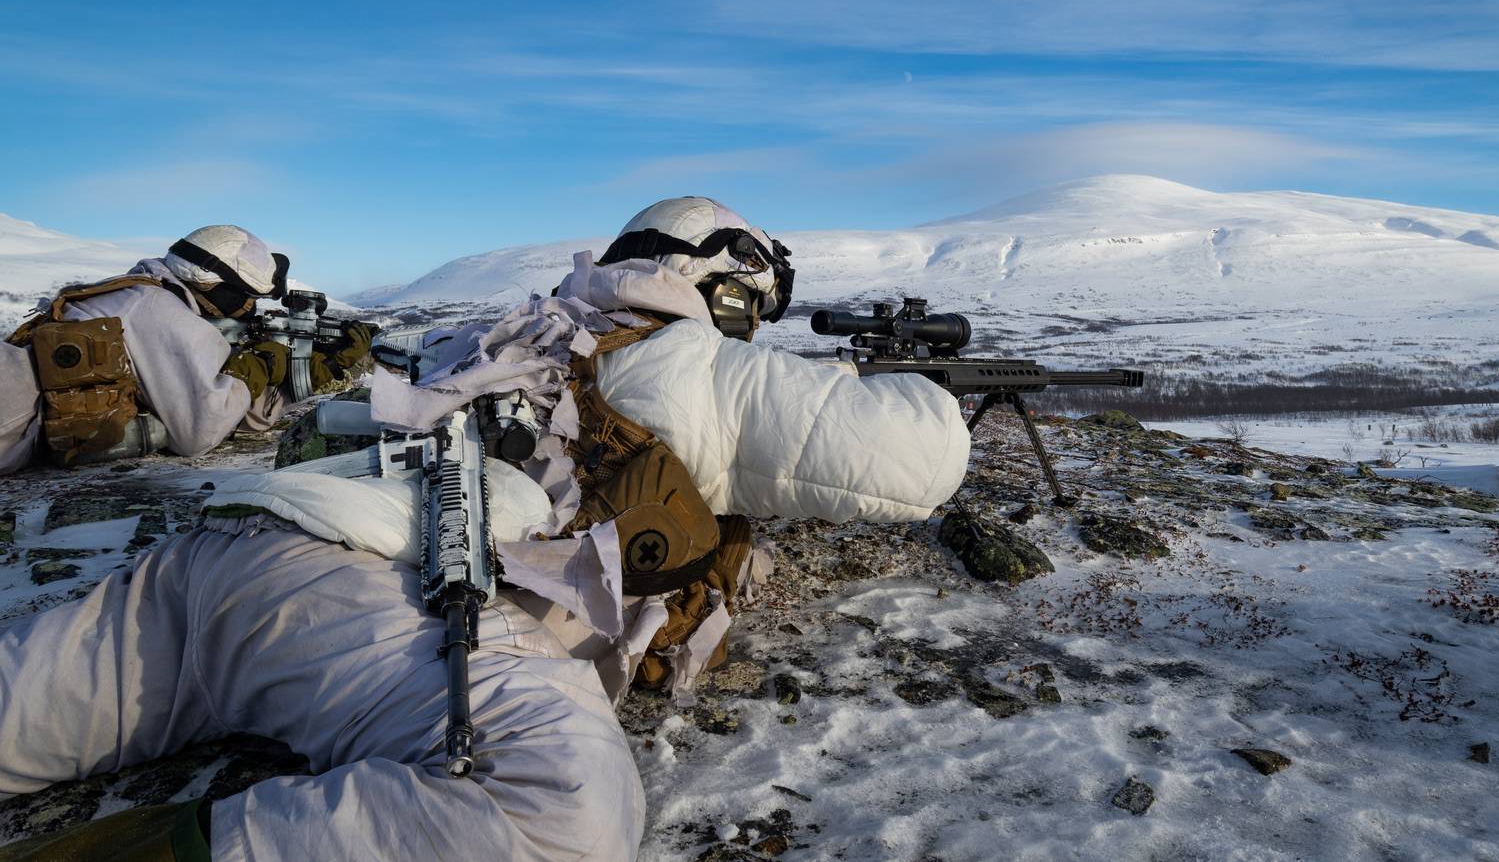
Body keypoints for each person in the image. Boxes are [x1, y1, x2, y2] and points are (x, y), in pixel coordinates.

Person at [0, 198, 970, 860]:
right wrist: (900, 384)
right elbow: (917, 462)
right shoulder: (687, 358)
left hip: (217, 564)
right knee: (558, 810)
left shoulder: (485, 335)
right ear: (728, 280)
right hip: (374, 600)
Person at [0, 225, 372, 474]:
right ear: (215, 286)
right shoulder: (156, 310)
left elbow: (235, 415)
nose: (250, 310)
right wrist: (253, 367)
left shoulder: (149, 294)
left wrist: (300, 375)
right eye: (248, 299)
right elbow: (199, 432)